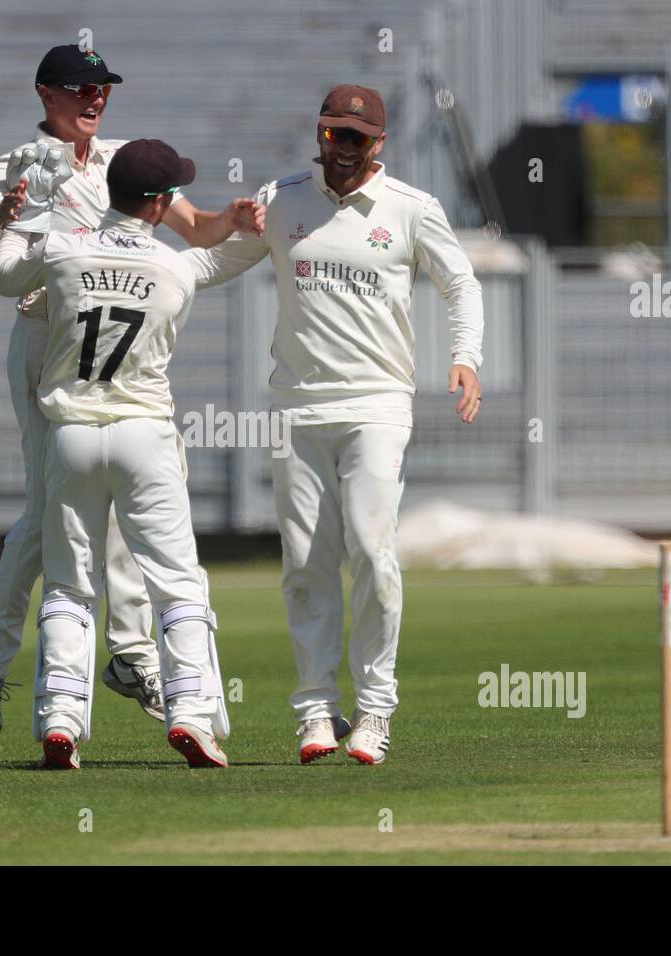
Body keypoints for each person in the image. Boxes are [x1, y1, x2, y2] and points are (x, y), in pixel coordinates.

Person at [0, 45, 263, 736]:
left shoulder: (125, 161)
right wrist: (6, 208)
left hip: (107, 343)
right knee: (49, 510)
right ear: (44, 93)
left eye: (103, 89)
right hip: (45, 341)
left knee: (115, 490)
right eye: (79, 88)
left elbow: (194, 228)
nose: (95, 99)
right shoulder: (19, 163)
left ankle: (126, 654)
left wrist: (234, 221)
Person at [184, 85, 485, 765]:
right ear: (318, 133)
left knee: (373, 554)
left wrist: (466, 357)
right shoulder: (283, 198)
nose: (340, 149)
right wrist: (121, 274)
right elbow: (213, 263)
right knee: (306, 564)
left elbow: (461, 282)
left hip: (378, 402)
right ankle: (317, 709)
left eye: (355, 138)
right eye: (331, 134)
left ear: (379, 143)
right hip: (296, 407)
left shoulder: (412, 209)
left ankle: (375, 710)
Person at [0, 140, 239, 769]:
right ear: (157, 205)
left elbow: (2, 275)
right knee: (177, 582)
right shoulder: (173, 267)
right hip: (143, 434)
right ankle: (188, 712)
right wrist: (251, 220)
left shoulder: (64, 250)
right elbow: (221, 259)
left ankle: (61, 720)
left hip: (71, 433)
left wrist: (25, 209)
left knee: (71, 587)